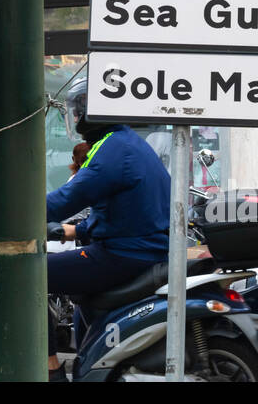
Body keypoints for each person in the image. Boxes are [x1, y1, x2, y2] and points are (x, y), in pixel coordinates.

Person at [44, 78, 170, 381]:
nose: (74, 118)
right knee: (82, 304)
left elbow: (68, 198)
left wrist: (14, 215)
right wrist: (76, 230)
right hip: (140, 247)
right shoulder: (124, 142)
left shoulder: (113, 150)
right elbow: (122, 211)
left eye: (76, 111)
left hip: (126, 254)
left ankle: (50, 370)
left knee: (30, 274)